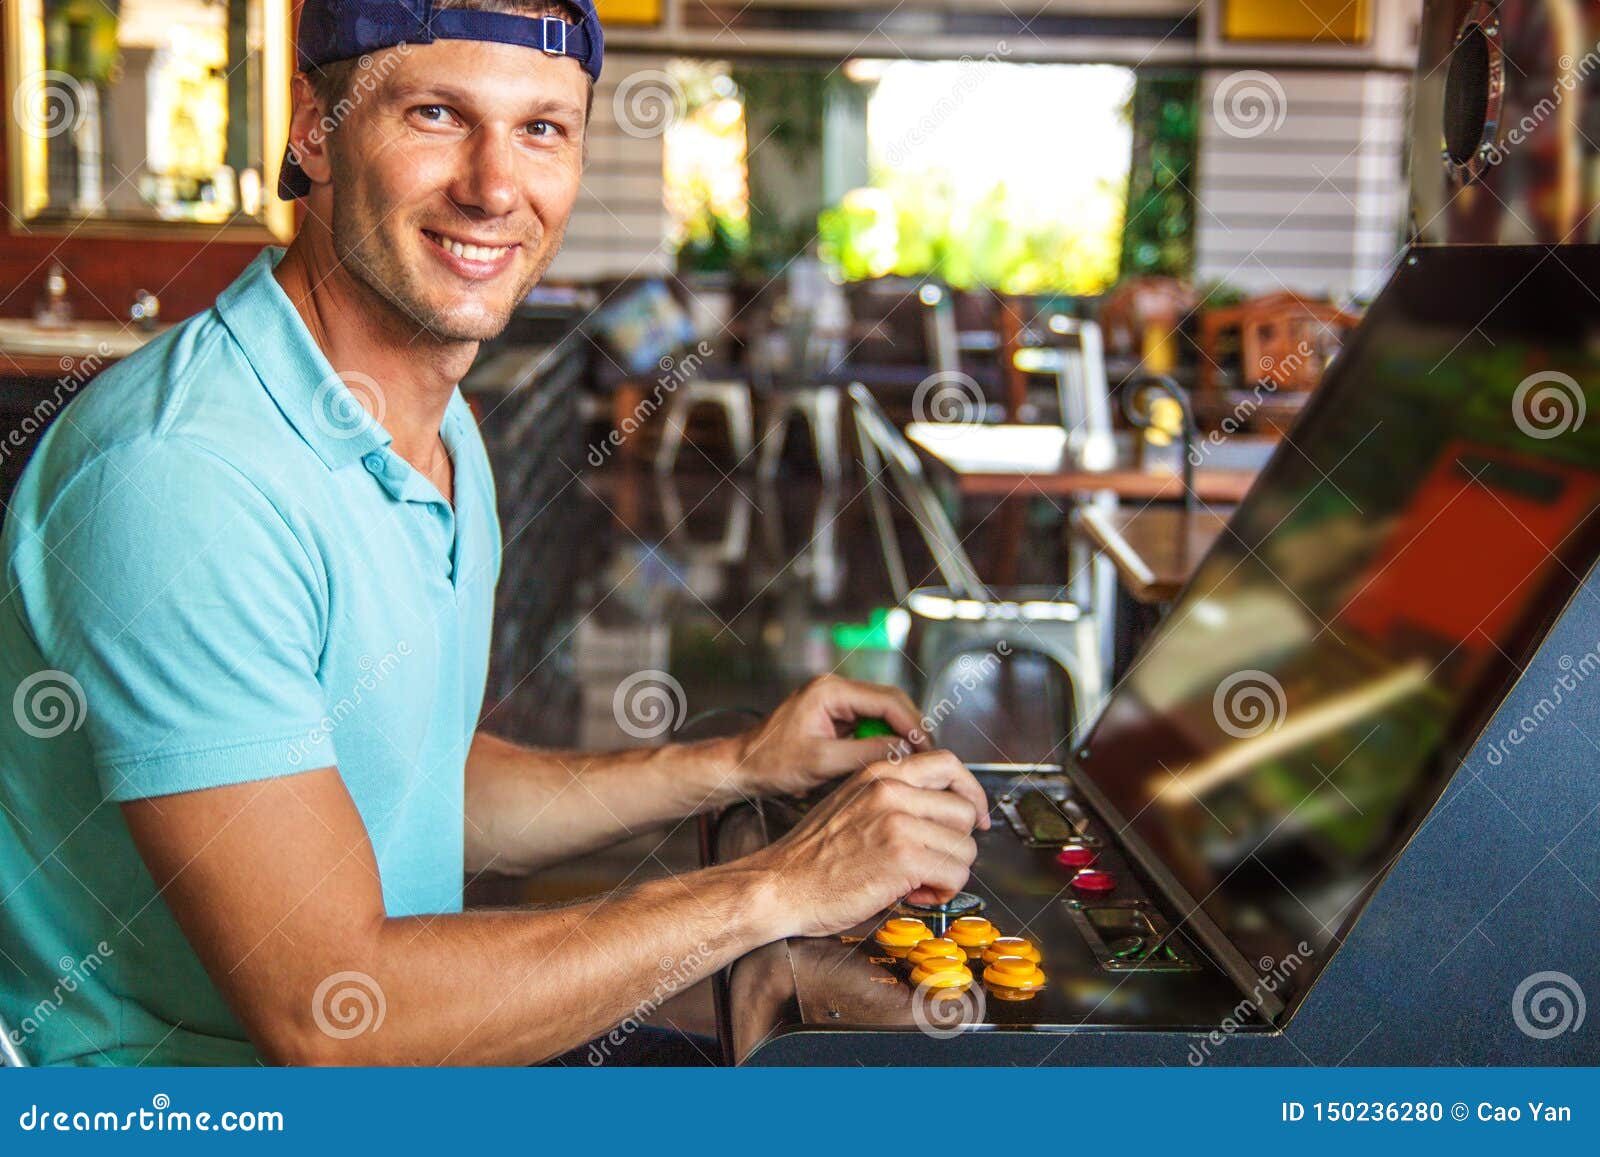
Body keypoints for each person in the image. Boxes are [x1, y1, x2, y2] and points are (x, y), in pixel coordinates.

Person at [0, 0, 985, 1066]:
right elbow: (341, 1014)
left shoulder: (442, 430)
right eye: (435, 113)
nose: (494, 186)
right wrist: (777, 888)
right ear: (314, 131)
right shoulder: (185, 479)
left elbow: (416, 783)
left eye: (542, 129)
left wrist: (740, 763)